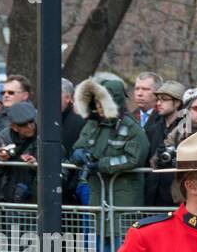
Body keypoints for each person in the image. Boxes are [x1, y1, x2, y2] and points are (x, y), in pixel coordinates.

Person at [69, 76, 150, 212]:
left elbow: (134, 158)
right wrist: (80, 155)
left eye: (102, 102)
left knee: (121, 233)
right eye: (96, 102)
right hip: (97, 196)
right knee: (97, 232)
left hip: (123, 199)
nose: (98, 106)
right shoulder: (92, 125)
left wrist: (101, 164)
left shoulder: (131, 128)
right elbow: (78, 147)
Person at [145, 80, 185, 206]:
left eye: (164, 99)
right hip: (152, 196)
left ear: (177, 102)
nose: (158, 103)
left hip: (175, 197)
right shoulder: (152, 128)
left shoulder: (187, 130)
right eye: (157, 99)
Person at [0, 101, 38, 203]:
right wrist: (0, 160)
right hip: (10, 196)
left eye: (31, 121)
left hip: (38, 197)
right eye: (24, 124)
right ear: (14, 127)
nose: (30, 126)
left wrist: (37, 165)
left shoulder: (45, 136)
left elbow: (58, 165)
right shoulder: (2, 138)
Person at [60, 78, 85, 206]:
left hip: (71, 191)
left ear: (68, 98)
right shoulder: (40, 120)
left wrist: (72, 187)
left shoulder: (79, 122)